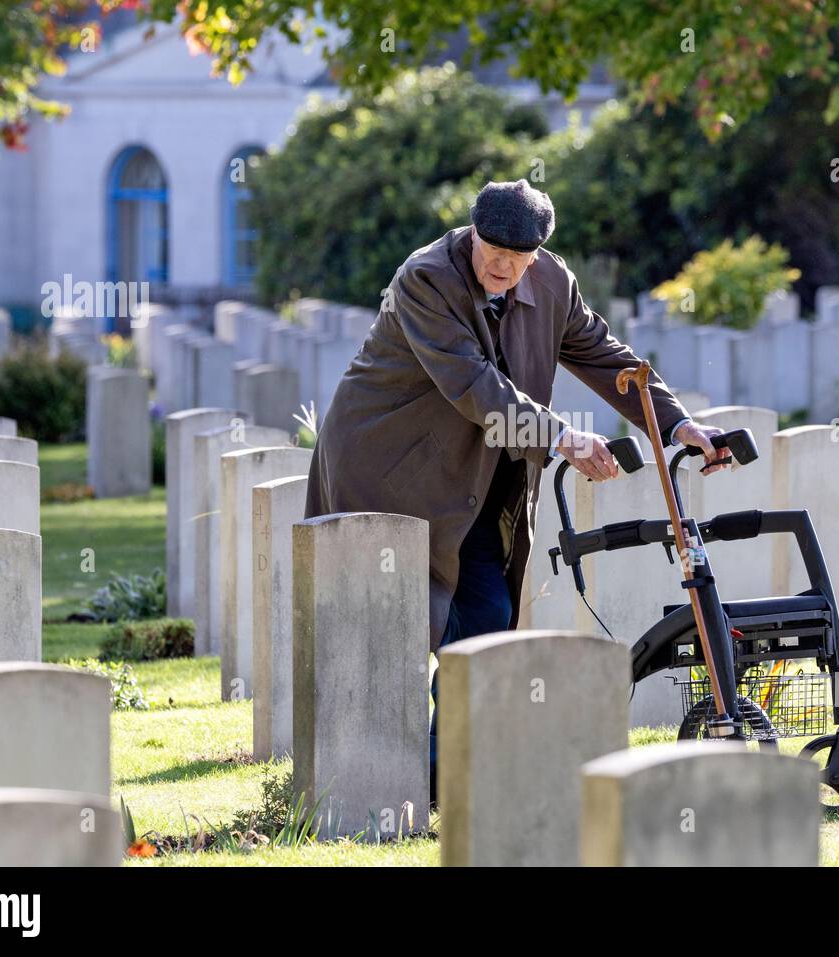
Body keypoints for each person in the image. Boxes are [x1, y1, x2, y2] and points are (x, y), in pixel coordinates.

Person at [303, 179, 731, 797]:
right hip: (388, 471)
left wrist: (677, 422)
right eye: (489, 249)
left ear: (538, 253)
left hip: (477, 482)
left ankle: (439, 777)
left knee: (486, 614)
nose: (500, 265)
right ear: (473, 233)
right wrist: (565, 440)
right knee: (389, 626)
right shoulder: (425, 279)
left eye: (516, 256)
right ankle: (368, 778)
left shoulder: (553, 282)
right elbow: (474, 383)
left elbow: (606, 356)